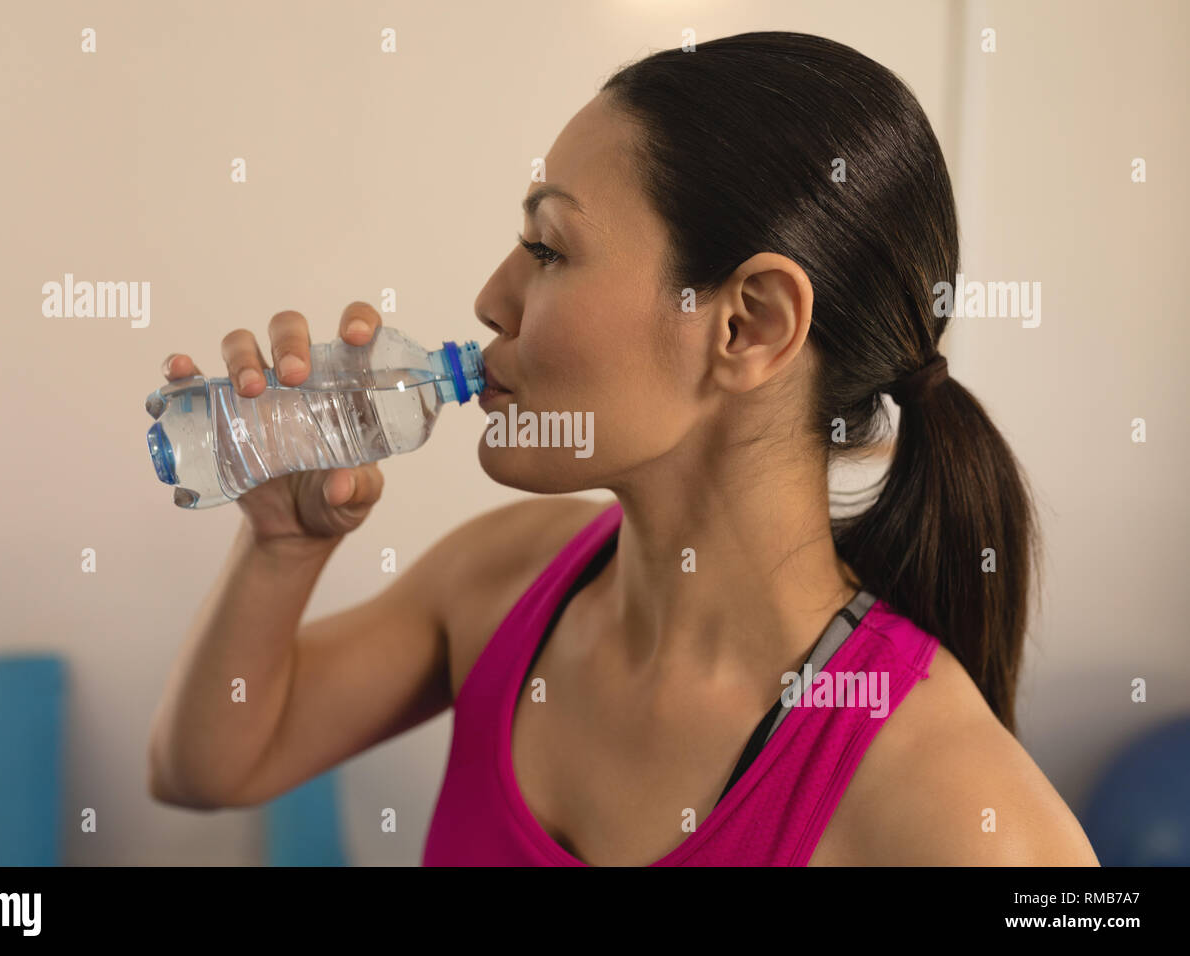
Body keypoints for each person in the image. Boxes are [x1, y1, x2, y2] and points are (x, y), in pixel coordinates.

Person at [147, 31, 1099, 866]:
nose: (491, 298)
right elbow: (204, 768)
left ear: (747, 326)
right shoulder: (500, 584)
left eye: (550, 250)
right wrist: (283, 546)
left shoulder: (955, 809)